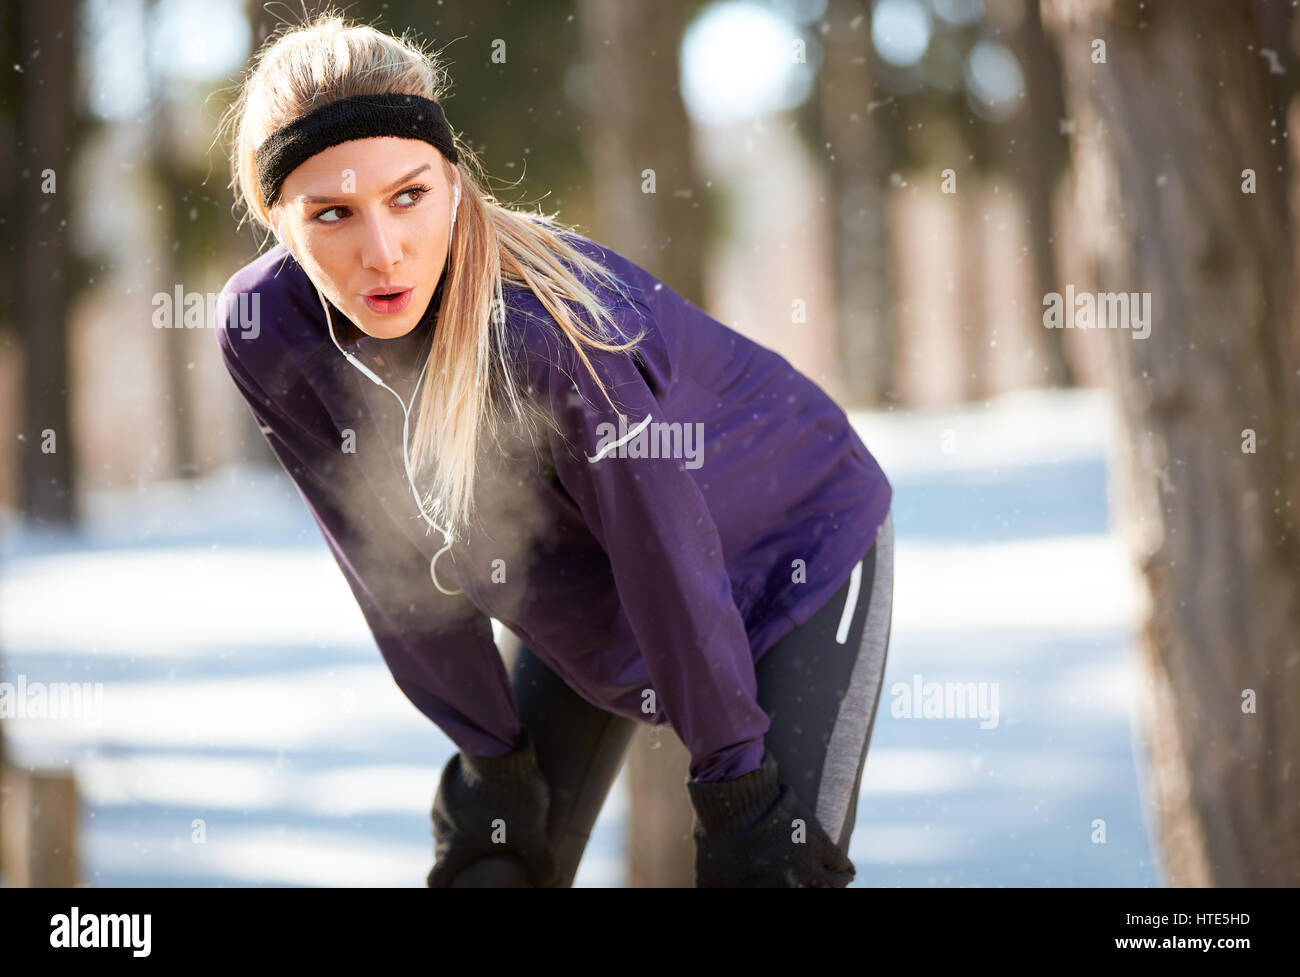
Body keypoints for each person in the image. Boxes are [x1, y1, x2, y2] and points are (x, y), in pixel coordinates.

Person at [214, 11, 894, 888]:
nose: (383, 252)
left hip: (794, 544)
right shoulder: (266, 328)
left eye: (408, 195)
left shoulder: (546, 336)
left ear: (452, 181)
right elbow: (389, 566)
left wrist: (734, 782)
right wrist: (490, 756)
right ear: (278, 223)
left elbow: (666, 551)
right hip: (586, 588)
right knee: (494, 865)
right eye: (333, 213)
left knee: (768, 872)